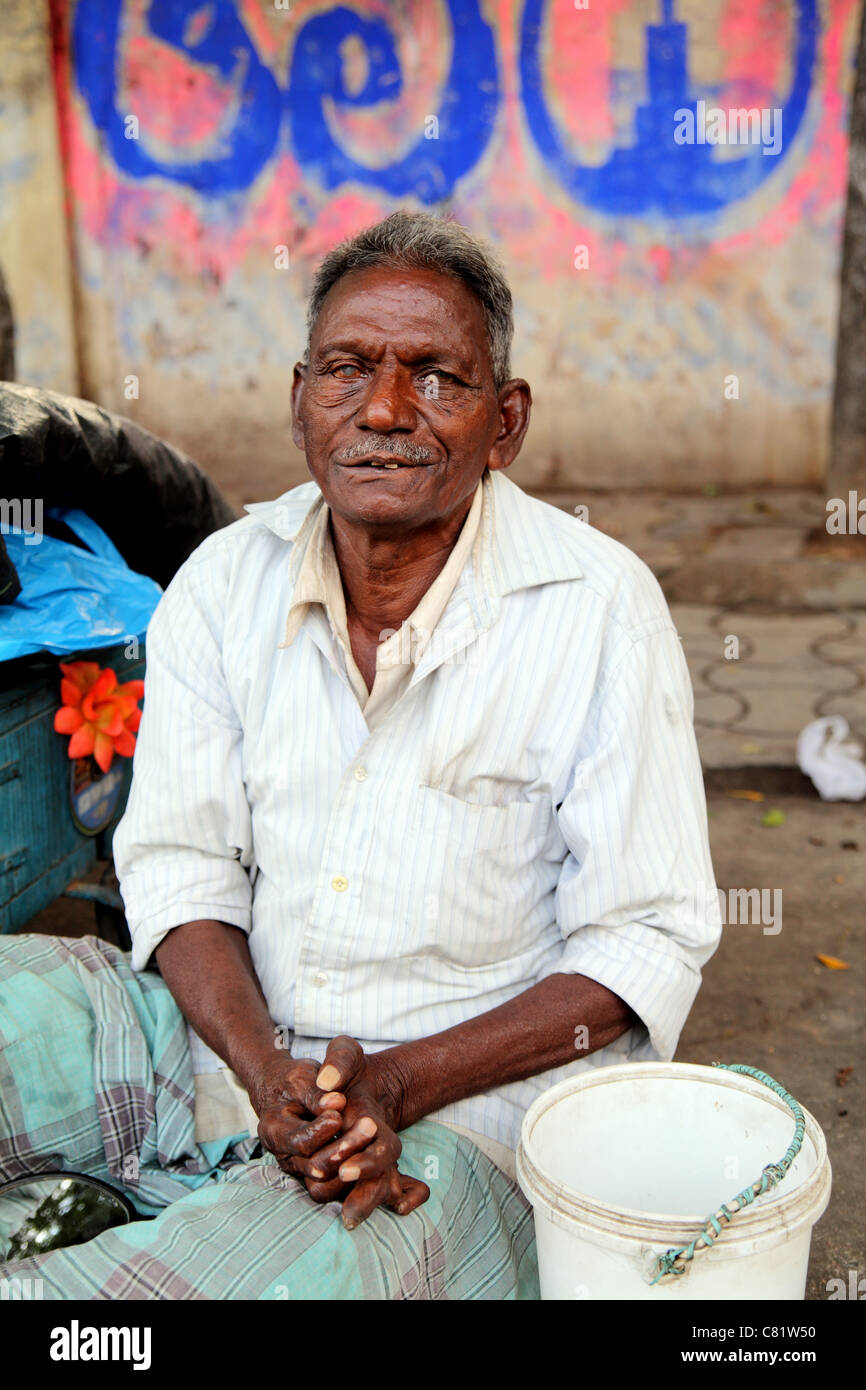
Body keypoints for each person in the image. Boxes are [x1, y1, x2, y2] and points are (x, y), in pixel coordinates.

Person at [0, 212, 720, 1299]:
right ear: (300, 399)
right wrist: (263, 1070)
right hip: (224, 1044)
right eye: (347, 370)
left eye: (435, 377)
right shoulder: (224, 580)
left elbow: (642, 942)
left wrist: (392, 1083)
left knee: (115, 1308)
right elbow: (180, 866)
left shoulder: (598, 608)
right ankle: (185, 1176)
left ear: (506, 420)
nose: (383, 411)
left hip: (459, 1119)